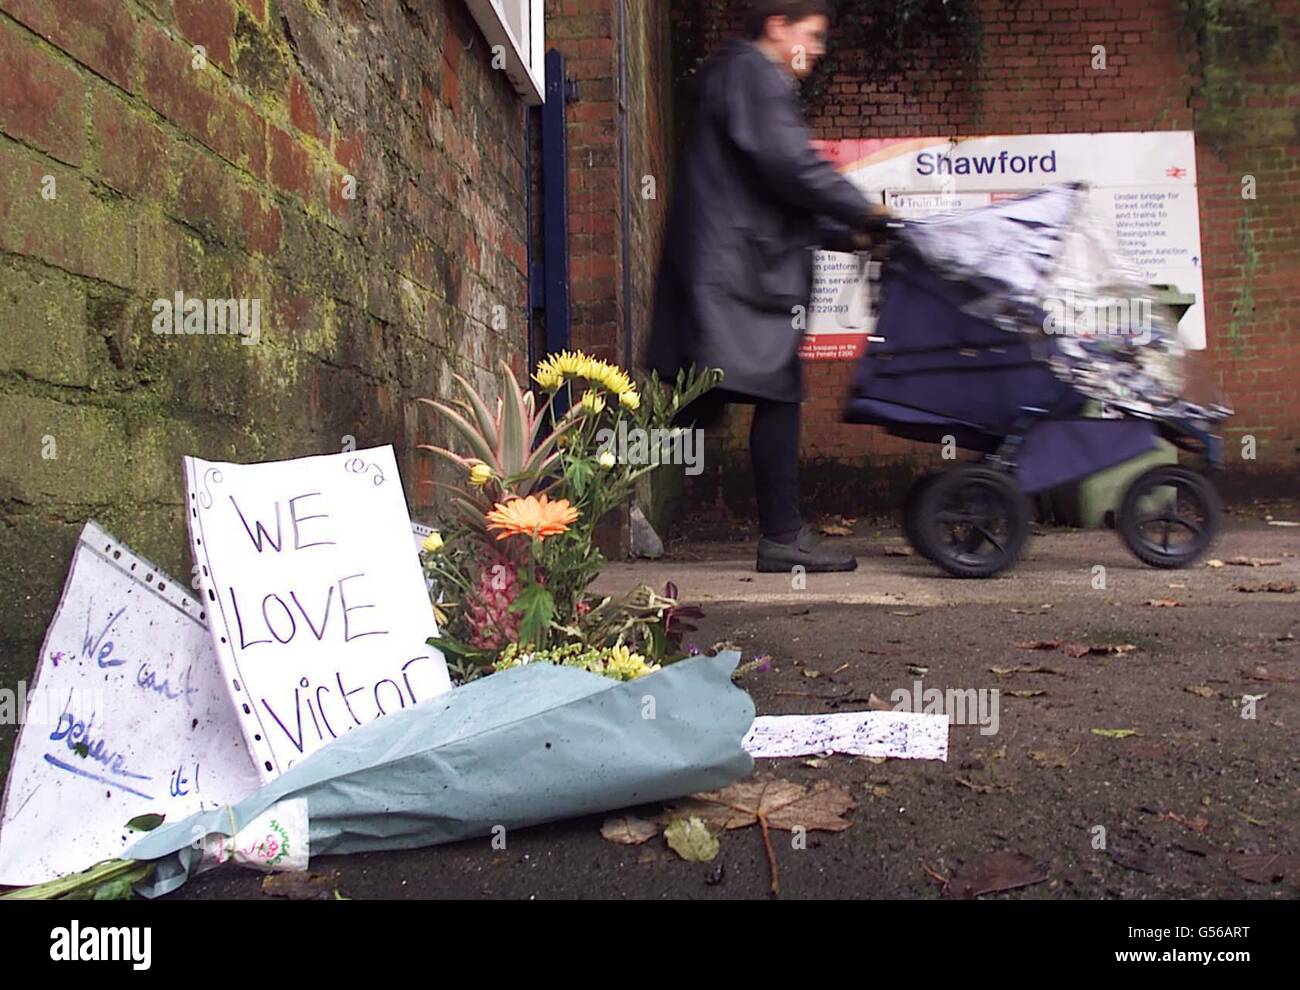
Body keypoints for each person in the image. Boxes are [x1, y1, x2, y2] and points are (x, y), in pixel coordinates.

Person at [646, 0, 891, 573]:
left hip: (727, 274)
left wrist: (849, 234)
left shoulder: (736, 75)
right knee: (774, 392)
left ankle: (584, 502)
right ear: (779, 26)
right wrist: (865, 214)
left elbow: (776, 191)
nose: (821, 48)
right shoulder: (755, 73)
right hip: (739, 282)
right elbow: (792, 167)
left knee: (695, 408)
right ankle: (782, 537)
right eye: (815, 34)